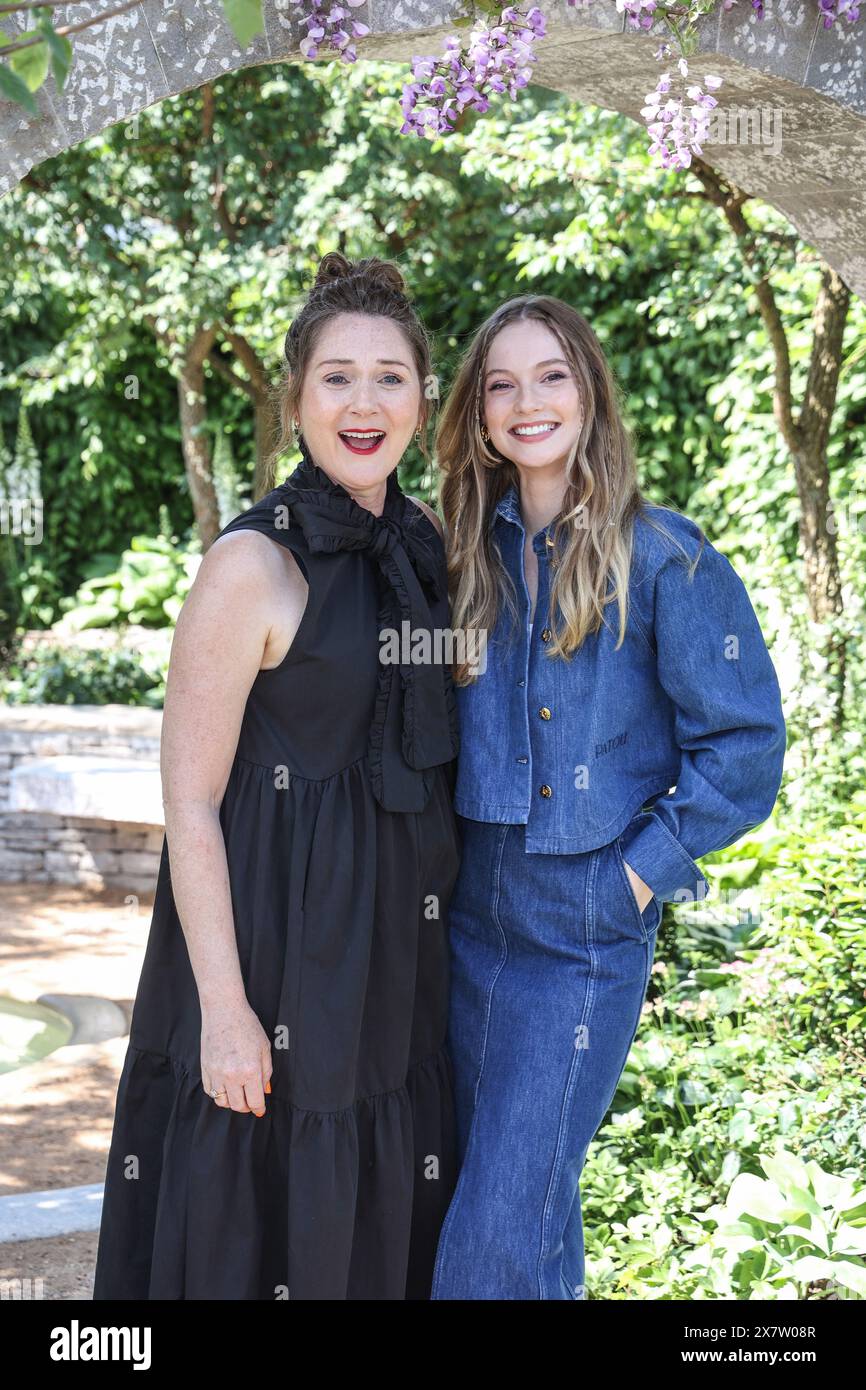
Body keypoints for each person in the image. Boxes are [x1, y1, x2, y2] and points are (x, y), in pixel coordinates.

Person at [92, 253, 461, 1301]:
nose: (363, 401)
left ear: (420, 398)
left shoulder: (424, 541)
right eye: (336, 376)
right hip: (273, 953)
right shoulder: (249, 566)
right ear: (295, 394)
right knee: (257, 1219)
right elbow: (191, 800)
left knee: (376, 1217)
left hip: (395, 955)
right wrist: (223, 1008)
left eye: (389, 375)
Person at [429, 294, 787, 1300]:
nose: (524, 400)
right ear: (479, 414)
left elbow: (745, 744)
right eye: (500, 383)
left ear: (587, 390)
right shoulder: (458, 554)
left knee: (497, 1231)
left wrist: (639, 873)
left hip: (583, 930)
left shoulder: (666, 554)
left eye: (549, 374)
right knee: (516, 1207)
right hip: (463, 920)